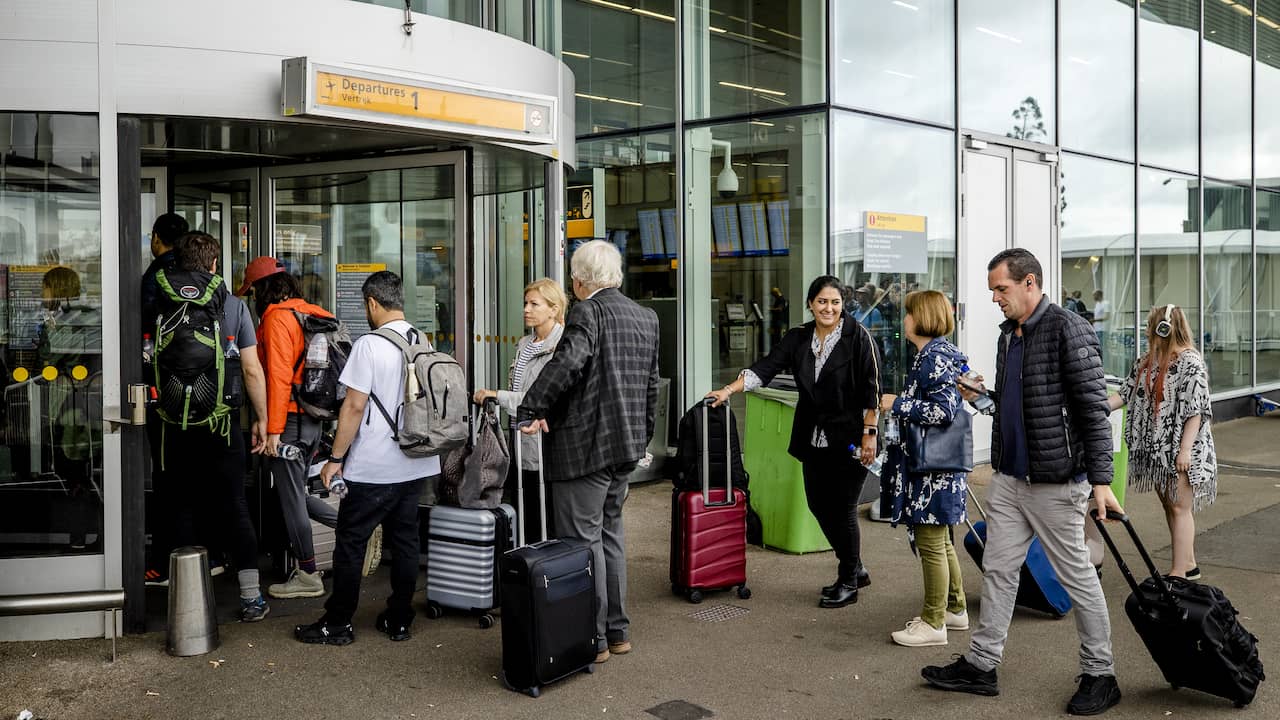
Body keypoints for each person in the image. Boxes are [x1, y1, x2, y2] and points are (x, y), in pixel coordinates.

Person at [922, 249, 1124, 716]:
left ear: (1029, 282)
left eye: (1001, 289)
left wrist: (1100, 483)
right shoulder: (1008, 335)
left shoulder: (1067, 329)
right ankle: (981, 665)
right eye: (993, 290)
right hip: (1011, 480)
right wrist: (983, 397)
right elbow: (1021, 402)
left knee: (1077, 579)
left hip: (1055, 484)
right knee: (998, 569)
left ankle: (1101, 673)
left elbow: (1094, 412)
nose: (995, 298)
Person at [516, 240, 660, 664]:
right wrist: (642, 438)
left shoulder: (587, 311)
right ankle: (618, 631)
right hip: (625, 448)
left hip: (584, 448)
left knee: (582, 541)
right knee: (611, 535)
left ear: (579, 281)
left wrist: (532, 407)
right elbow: (651, 385)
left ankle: (592, 639)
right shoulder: (645, 317)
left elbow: (568, 363)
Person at [707, 275, 880, 610]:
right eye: (822, 302)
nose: (828, 308)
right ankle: (856, 567)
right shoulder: (799, 338)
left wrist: (869, 434)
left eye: (835, 302)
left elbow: (872, 388)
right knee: (818, 504)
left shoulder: (858, 337)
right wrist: (728, 390)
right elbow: (765, 369)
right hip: (812, 435)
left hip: (852, 436)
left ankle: (848, 578)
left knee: (842, 509)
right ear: (811, 304)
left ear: (843, 305)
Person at [297, 271, 441, 645]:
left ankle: (339, 622)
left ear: (372, 303)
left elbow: (354, 406)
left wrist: (335, 458)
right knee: (406, 541)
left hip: (375, 465)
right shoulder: (421, 339)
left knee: (351, 542)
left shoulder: (369, 345)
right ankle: (399, 618)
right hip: (416, 460)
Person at [161, 233, 272, 621]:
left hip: (173, 424)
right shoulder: (235, 306)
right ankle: (250, 597)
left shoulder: (160, 301)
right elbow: (252, 369)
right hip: (222, 424)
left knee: (181, 504)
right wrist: (261, 418)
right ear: (213, 265)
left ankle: (186, 601)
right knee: (235, 505)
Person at [238, 256, 341, 600]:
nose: (252, 299)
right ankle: (357, 527)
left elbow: (279, 379)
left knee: (291, 496)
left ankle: (309, 573)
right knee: (294, 492)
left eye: (252, 292)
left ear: (261, 290)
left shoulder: (277, 319)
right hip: (312, 419)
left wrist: (273, 431)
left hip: (291, 421)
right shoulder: (310, 312)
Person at [878, 290, 968, 647]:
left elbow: (944, 411)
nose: (904, 319)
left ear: (922, 317)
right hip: (937, 466)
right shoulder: (937, 354)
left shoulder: (934, 358)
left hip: (933, 470)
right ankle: (954, 609)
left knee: (932, 543)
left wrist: (897, 403)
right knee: (941, 541)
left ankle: (934, 622)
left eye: (909, 313)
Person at [1108, 304, 1216, 580]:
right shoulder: (1147, 361)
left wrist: (1185, 450)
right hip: (1157, 451)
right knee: (1171, 505)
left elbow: (1196, 411)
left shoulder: (1191, 363)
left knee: (1180, 507)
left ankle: (1179, 572)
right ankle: (1188, 564)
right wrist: (1093, 407)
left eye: (1151, 325)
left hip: (1181, 450)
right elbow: (1125, 393)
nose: (1148, 331)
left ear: (1164, 328)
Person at [473, 277, 567, 536]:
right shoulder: (525, 344)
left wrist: (496, 395)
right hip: (519, 436)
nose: (526, 309)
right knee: (524, 507)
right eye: (525, 303)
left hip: (544, 441)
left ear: (554, 309)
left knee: (544, 510)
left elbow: (537, 397)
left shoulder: (562, 347)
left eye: (535, 304)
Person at [141, 213, 190, 322]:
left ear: (156, 237)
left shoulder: (156, 271)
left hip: (161, 335)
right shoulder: (192, 265)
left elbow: (147, 312)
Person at [1092, 290, 1110, 359]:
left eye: (1094, 295)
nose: (1093, 297)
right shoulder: (1097, 304)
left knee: (1103, 347)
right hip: (1096, 329)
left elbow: (1107, 316)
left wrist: (1095, 320)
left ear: (1099, 295)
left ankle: (1105, 361)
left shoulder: (1105, 303)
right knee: (1098, 347)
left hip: (1103, 329)